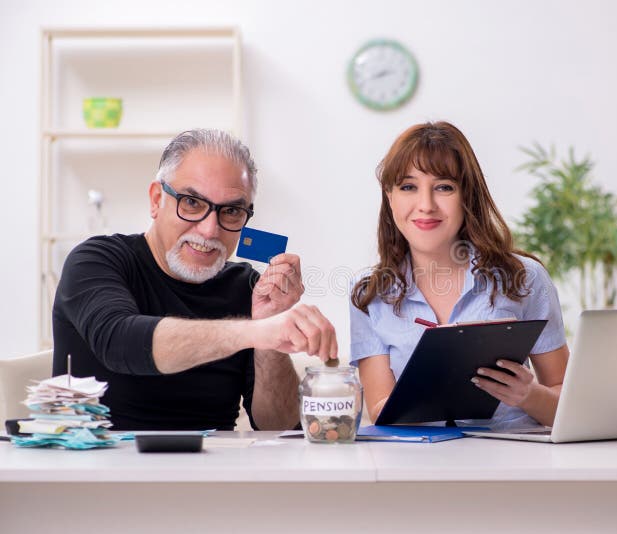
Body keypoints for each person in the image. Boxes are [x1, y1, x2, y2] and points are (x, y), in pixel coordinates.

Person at [53, 129, 337, 431]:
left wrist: (270, 339)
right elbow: (122, 342)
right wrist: (256, 332)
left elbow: (278, 425)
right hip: (96, 468)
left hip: (212, 470)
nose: (209, 230)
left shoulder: (247, 288)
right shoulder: (96, 260)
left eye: (230, 211)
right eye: (191, 203)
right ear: (156, 199)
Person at [349, 121, 569, 430]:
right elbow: (378, 409)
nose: (425, 205)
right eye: (408, 187)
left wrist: (528, 395)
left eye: (444, 187)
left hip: (512, 464)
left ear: (467, 195)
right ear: (389, 196)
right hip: (417, 466)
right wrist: (434, 378)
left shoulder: (524, 278)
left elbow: (567, 408)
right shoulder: (368, 293)